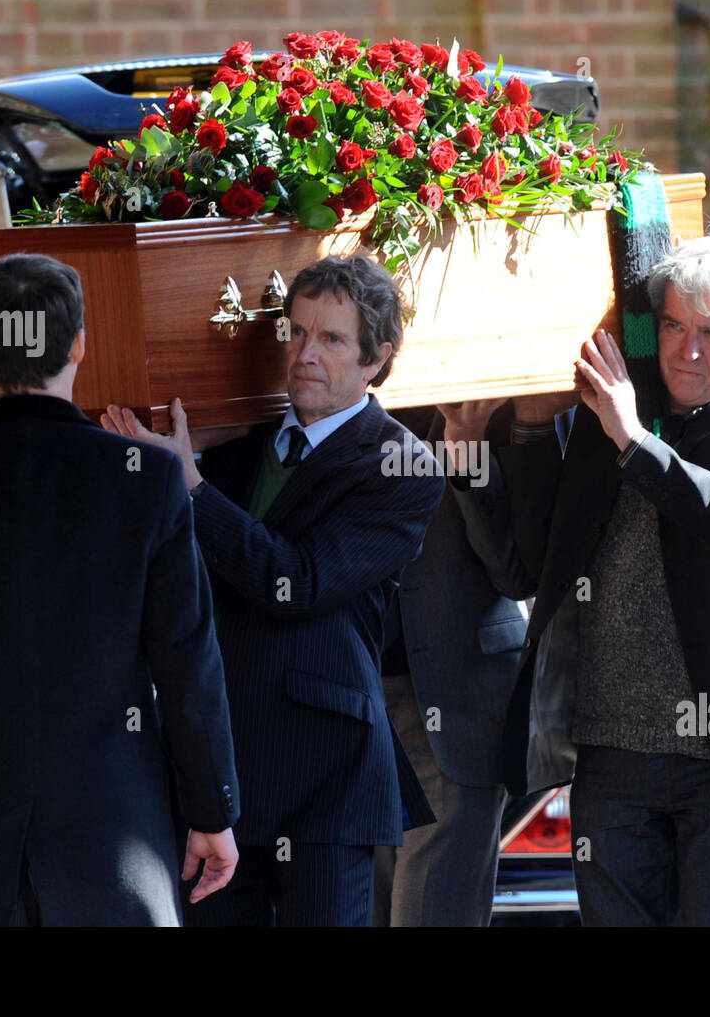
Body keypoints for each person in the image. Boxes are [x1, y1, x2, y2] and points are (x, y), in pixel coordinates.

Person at [0, 253, 241, 926]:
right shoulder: (147, 478)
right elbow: (186, 661)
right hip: (112, 833)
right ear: (77, 343)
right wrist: (213, 812)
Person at [494, 226, 710, 926]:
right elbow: (538, 559)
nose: (687, 349)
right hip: (609, 749)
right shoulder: (618, 407)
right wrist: (527, 433)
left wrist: (634, 439)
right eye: (675, 326)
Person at [103, 254, 444, 927]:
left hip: (326, 778)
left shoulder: (403, 465)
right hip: (220, 772)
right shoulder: (235, 446)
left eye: (332, 339)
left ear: (376, 359)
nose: (305, 354)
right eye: (296, 332)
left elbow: (298, 580)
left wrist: (191, 487)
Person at [372, 400, 534, 927]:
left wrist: (468, 443)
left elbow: (515, 572)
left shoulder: (496, 386)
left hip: (456, 691)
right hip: (351, 697)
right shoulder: (323, 378)